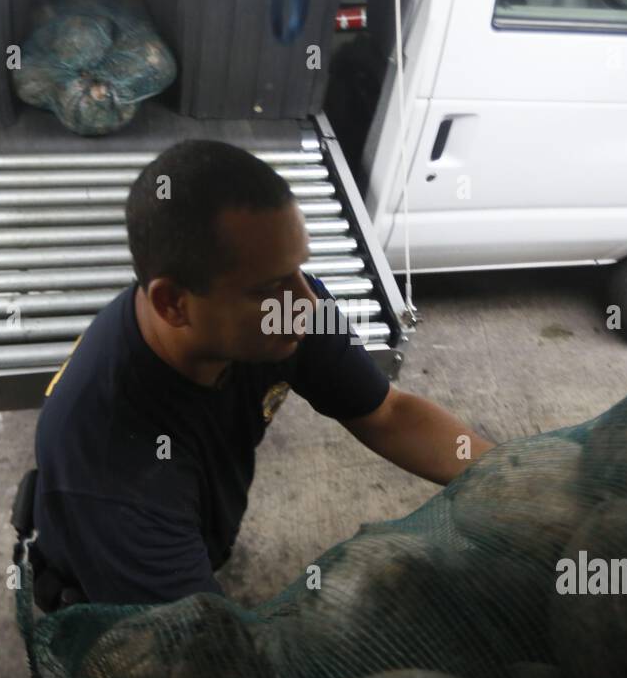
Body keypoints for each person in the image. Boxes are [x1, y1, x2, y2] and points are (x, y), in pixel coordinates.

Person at [29, 139, 494, 607]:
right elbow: (199, 650)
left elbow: (387, 414)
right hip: (109, 591)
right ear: (173, 303)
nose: (308, 304)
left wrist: (516, 481)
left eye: (299, 270)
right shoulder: (112, 473)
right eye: (271, 287)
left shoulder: (285, 308)